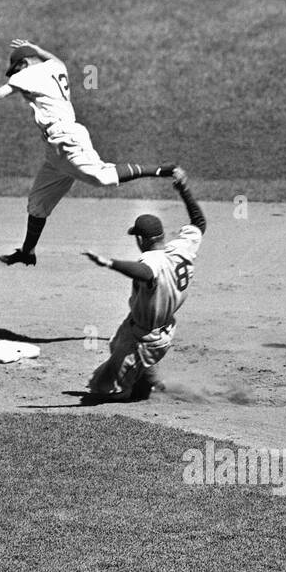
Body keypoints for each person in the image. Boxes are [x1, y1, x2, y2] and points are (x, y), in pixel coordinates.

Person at [0, 39, 175, 265]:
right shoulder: (55, 66)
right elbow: (53, 58)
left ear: (24, 64)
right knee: (37, 204)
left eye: (15, 70)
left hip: (67, 139)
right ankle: (27, 252)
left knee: (102, 177)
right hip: (55, 151)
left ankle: (160, 170)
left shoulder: (29, 74)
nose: (15, 76)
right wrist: (36, 48)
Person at [81, 167, 206, 402]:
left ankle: (134, 390)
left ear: (140, 239)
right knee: (116, 342)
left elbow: (144, 272)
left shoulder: (151, 262)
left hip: (147, 339)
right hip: (157, 327)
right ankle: (149, 379)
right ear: (160, 236)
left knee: (102, 391)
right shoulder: (182, 248)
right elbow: (198, 222)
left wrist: (109, 262)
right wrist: (184, 190)